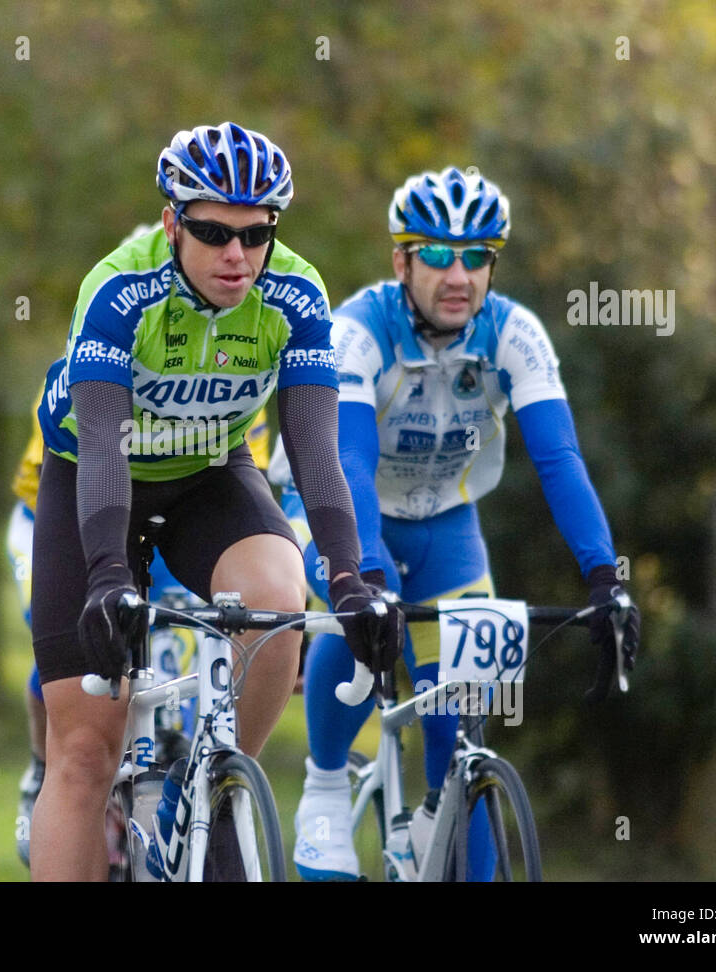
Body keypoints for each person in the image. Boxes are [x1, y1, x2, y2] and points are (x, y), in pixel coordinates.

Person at [29, 122, 396, 881]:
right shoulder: (119, 288)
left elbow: (316, 451)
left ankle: (204, 799)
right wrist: (106, 581)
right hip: (96, 481)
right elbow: (101, 445)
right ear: (172, 223)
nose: (238, 255)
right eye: (214, 232)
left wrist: (353, 580)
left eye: (258, 234)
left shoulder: (295, 293)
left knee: (279, 597)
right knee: (85, 752)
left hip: (208, 471)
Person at [281, 166, 641, 881]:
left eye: (476, 257)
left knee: (461, 736)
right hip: (336, 511)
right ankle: (324, 784)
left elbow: (560, 458)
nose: (459, 275)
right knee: (359, 628)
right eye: (439, 255)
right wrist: (369, 579)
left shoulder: (515, 334)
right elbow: (348, 466)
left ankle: (437, 825)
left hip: (447, 522)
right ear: (401, 261)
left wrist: (606, 579)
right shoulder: (355, 331)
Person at [7, 385, 271, 868]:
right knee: (77, 643)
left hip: (176, 513)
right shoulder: (93, 374)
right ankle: (43, 764)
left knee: (195, 625)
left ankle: (187, 773)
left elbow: (248, 482)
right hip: (64, 509)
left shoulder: (239, 394)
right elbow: (68, 474)